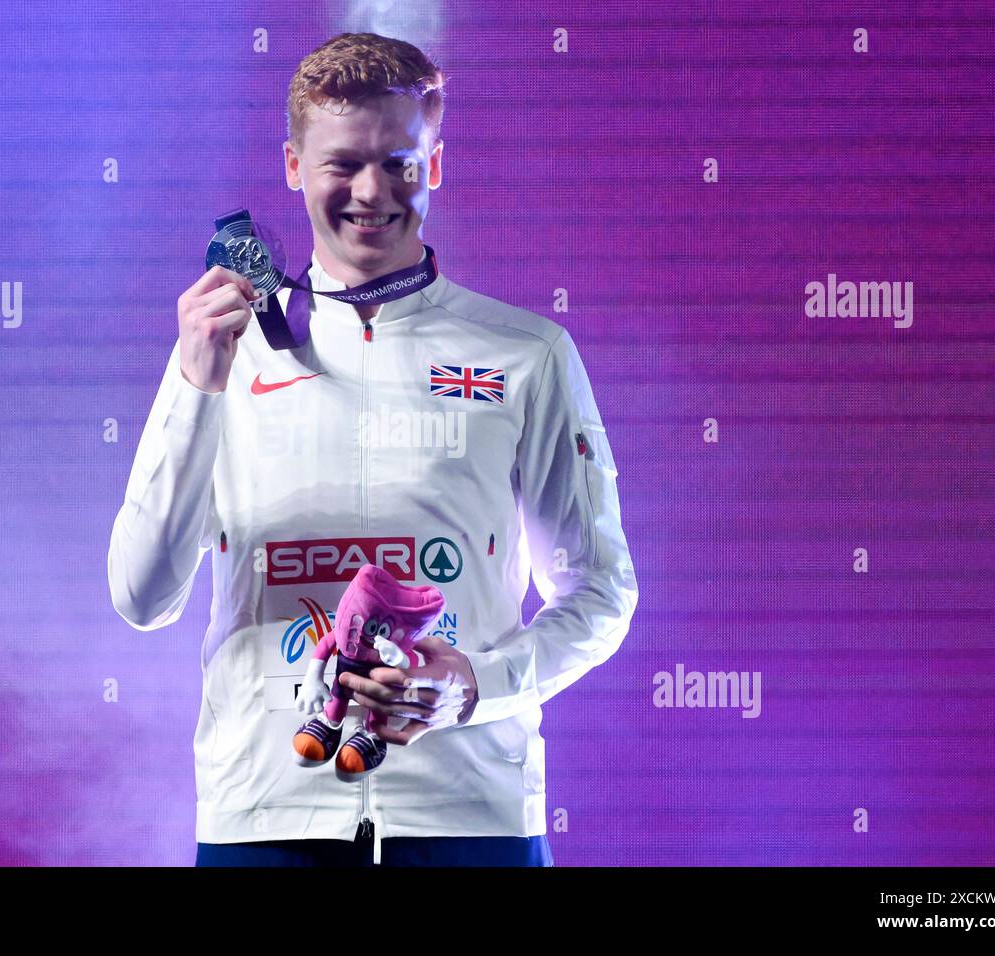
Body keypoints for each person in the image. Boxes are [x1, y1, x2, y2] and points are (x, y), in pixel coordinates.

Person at [107, 31, 639, 867]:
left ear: (435, 164)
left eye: (398, 162)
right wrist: (199, 384)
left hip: (469, 817)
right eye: (341, 163)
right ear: (291, 165)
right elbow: (142, 595)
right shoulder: (222, 348)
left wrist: (473, 686)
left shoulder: (527, 352)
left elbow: (601, 594)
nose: (370, 192)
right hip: (266, 816)